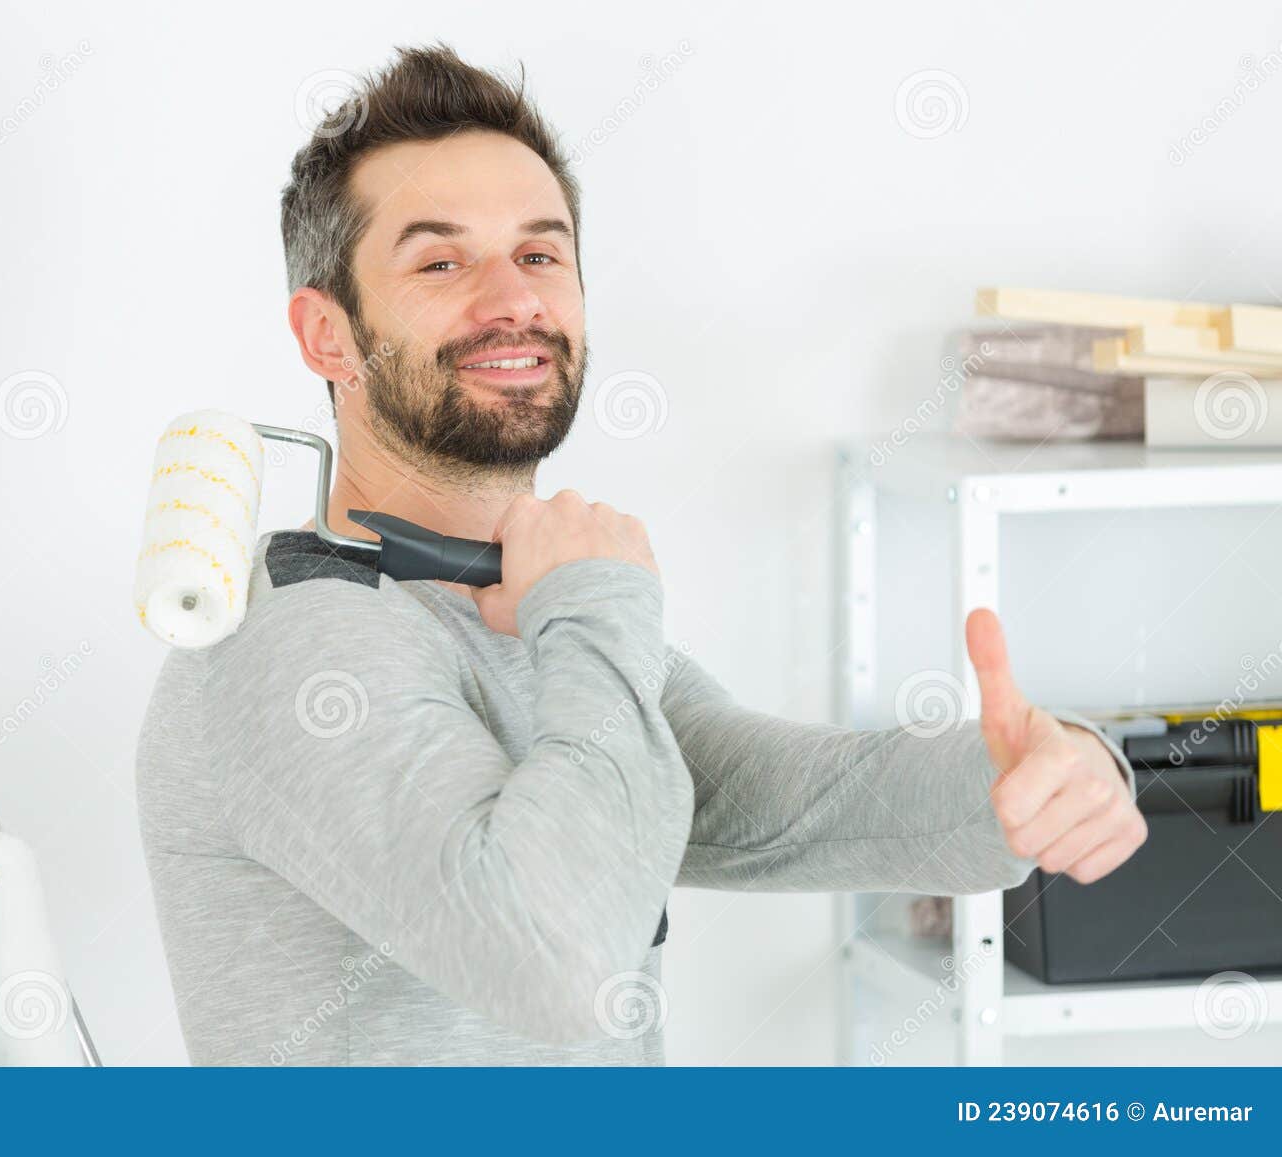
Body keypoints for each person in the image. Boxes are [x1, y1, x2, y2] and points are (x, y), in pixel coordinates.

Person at [134, 43, 1146, 1066]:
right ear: (328, 336)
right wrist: (593, 604)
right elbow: (558, 961)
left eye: (540, 254)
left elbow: (780, 805)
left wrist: (1039, 774)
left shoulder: (528, 607)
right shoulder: (305, 642)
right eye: (440, 262)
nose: (513, 300)